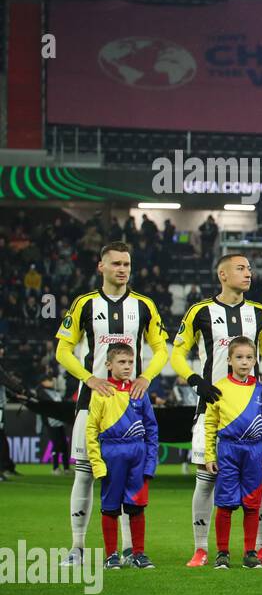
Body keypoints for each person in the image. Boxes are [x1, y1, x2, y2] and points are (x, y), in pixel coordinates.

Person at [56, 241, 169, 567]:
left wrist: (145, 377)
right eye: (116, 263)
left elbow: (161, 349)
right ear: (101, 267)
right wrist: (88, 379)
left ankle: (130, 551)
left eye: (127, 264)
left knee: (127, 476)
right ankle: (77, 547)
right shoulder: (84, 304)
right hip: (92, 401)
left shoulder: (144, 305)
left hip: (130, 403)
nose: (122, 269)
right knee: (84, 474)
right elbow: (62, 350)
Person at [173, 254, 262, 567]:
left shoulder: (260, 313)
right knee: (206, 478)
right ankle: (201, 548)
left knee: (255, 482)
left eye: (249, 268)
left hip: (250, 409)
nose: (249, 273)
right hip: (212, 407)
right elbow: (178, 353)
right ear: (222, 274)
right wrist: (195, 381)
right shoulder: (200, 311)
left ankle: (257, 548)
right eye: (241, 268)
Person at [203, 336, 262, 570]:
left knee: (252, 504)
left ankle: (250, 553)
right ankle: (222, 553)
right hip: (228, 450)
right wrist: (209, 456)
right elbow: (210, 425)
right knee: (225, 503)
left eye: (249, 358)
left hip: (254, 452)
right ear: (229, 360)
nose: (244, 362)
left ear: (255, 360)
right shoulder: (219, 389)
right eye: (239, 357)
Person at [86, 343, 159, 569]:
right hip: (112, 454)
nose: (127, 367)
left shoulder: (140, 392)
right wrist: (97, 464)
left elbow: (152, 429)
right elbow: (91, 431)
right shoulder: (101, 393)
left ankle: (138, 554)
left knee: (137, 506)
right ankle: (111, 556)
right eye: (121, 362)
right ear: (108, 365)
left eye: (130, 362)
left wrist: (150, 463)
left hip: (137, 455)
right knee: (110, 507)